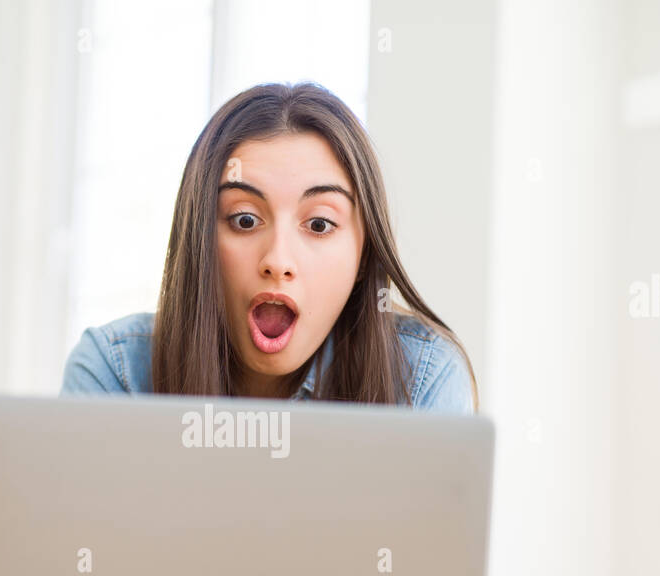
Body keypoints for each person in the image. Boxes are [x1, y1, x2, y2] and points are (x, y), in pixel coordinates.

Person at [61, 81, 478, 413]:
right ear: (200, 243)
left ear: (364, 256)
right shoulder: (115, 375)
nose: (277, 261)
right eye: (245, 220)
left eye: (318, 224)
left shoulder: (424, 379)